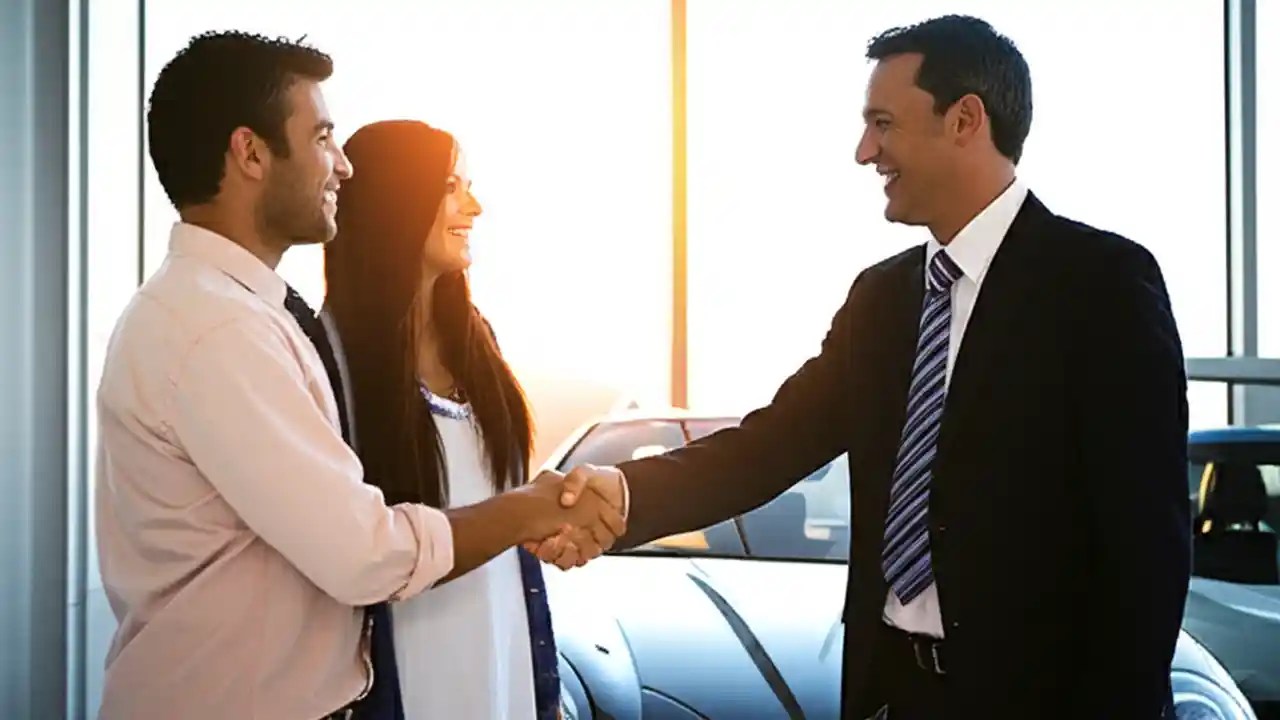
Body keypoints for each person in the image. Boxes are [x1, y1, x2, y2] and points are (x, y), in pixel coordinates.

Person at [537, 14, 1190, 720]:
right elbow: (770, 445)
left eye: (883, 124)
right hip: (892, 696)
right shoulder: (881, 299)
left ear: (965, 120)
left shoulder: (1101, 286)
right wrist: (622, 494)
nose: (863, 151)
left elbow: (1146, 552)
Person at [94, 32, 621, 720]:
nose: (343, 167)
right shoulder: (218, 330)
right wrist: (534, 508)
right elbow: (365, 554)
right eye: (321, 139)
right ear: (250, 152)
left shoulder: (244, 316)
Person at [321, 119, 597, 720]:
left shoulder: (478, 344)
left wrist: (548, 525)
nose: (472, 205)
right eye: (451, 186)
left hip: (503, 654)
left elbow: (501, 501)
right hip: (410, 671)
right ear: (396, 199)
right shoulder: (327, 360)